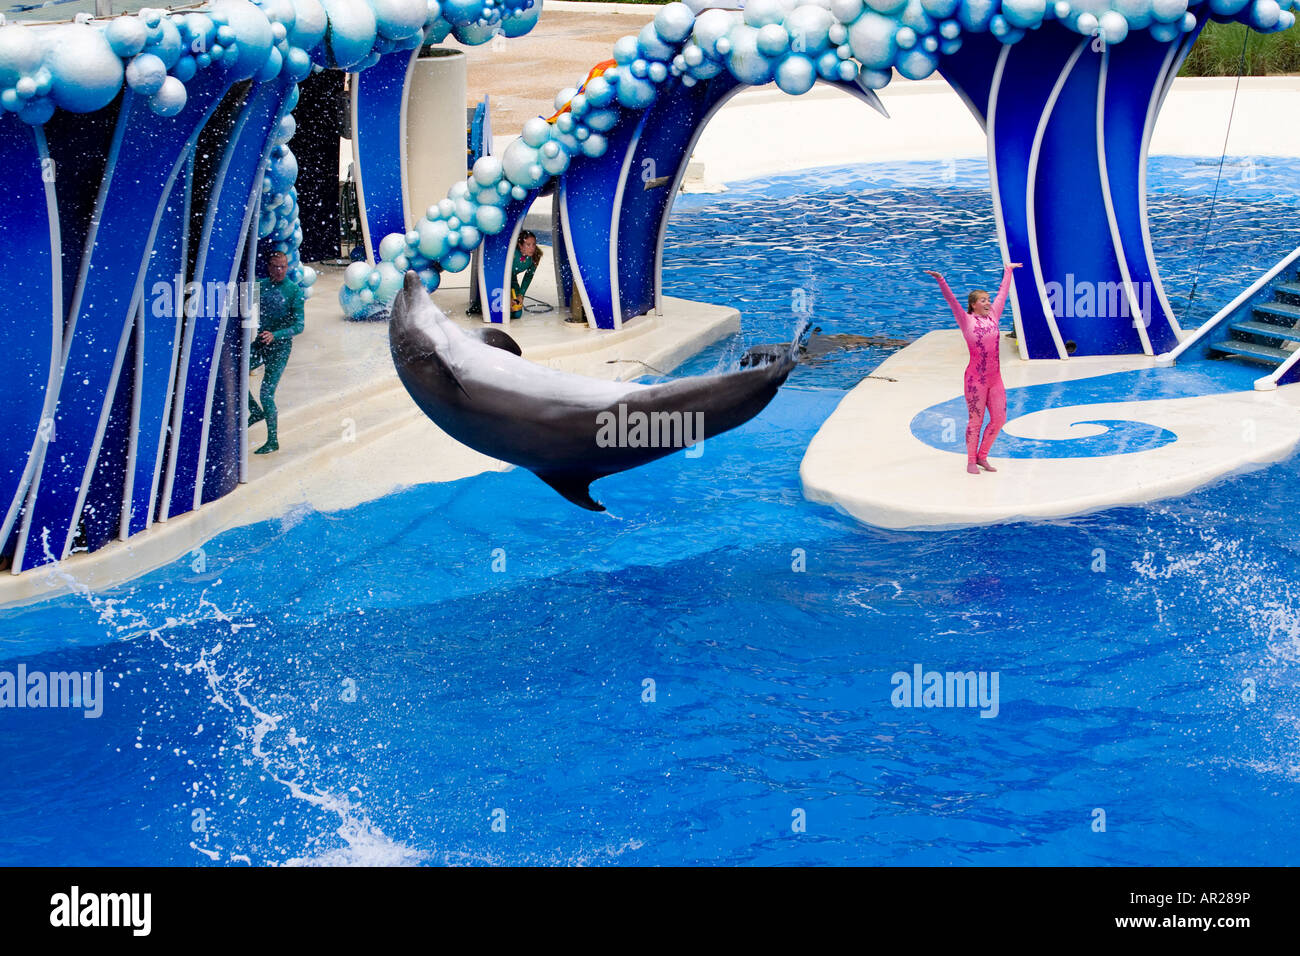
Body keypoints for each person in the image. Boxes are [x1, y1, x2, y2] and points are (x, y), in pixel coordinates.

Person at [924, 262, 1022, 475]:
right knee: (976, 420)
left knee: (999, 419)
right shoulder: (966, 320)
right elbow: (951, 301)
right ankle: (970, 460)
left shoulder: (993, 316)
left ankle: (982, 456)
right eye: (983, 300)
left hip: (995, 378)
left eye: (988, 299)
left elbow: (1003, 293)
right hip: (975, 380)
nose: (988, 303)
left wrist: (1008, 271)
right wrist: (941, 280)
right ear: (974, 304)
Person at [247, 251, 305, 455]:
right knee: (235, 375)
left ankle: (273, 440)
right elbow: (248, 316)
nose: (279, 270)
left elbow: (299, 326)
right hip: (260, 343)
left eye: (283, 266)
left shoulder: (294, 291)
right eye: (275, 266)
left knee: (266, 394)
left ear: (287, 267)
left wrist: (276, 334)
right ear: (269, 267)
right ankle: (254, 412)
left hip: (280, 348)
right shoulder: (258, 286)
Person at [511, 230, 543, 320]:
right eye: (528, 245)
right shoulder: (511, 252)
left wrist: (521, 295)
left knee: (517, 314)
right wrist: (506, 297)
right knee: (502, 311)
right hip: (499, 279)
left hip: (512, 280)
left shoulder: (536, 255)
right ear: (520, 245)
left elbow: (528, 276)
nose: (532, 248)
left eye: (534, 244)